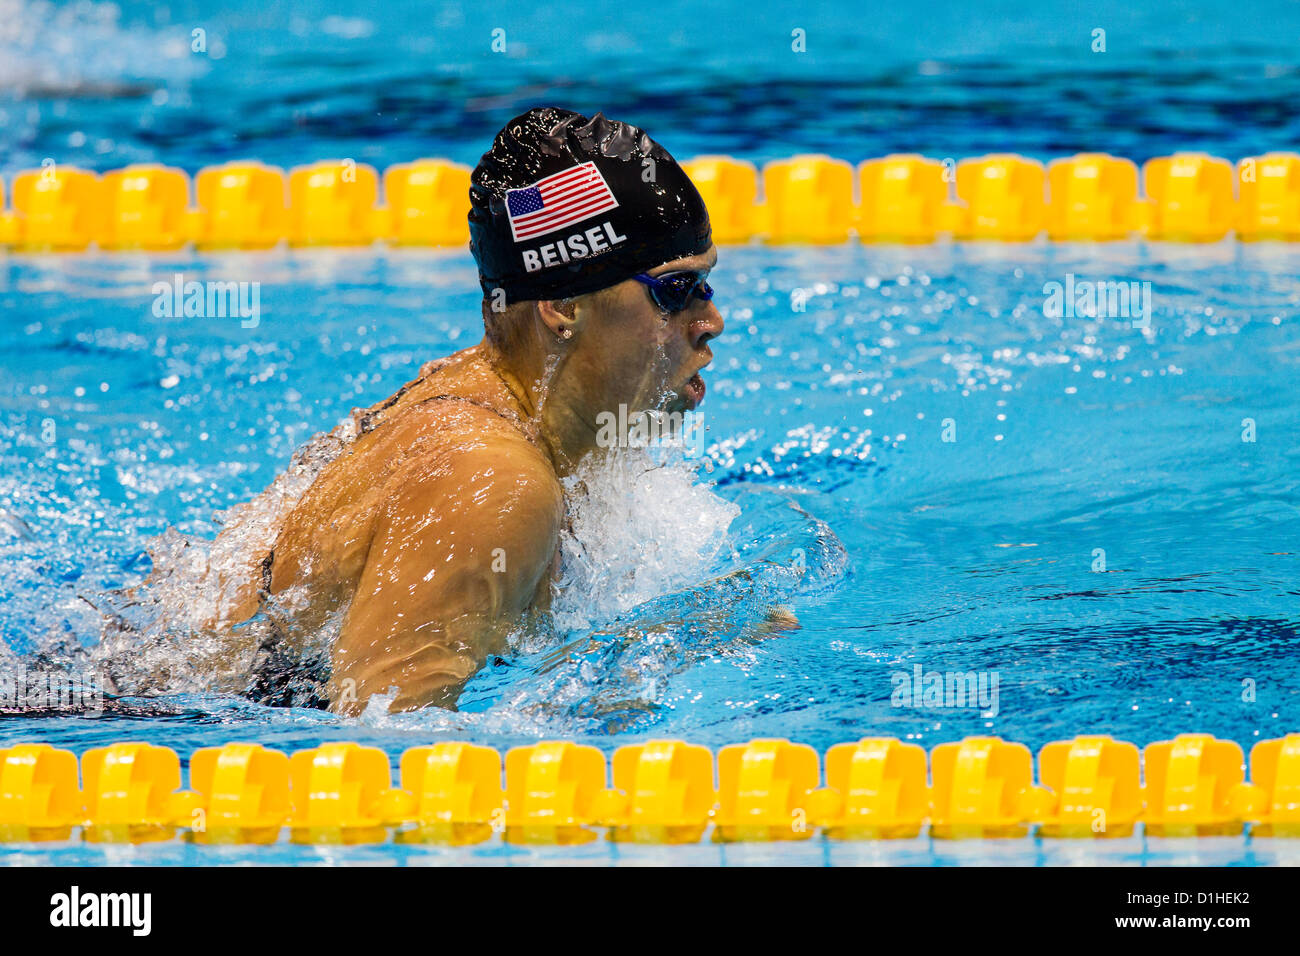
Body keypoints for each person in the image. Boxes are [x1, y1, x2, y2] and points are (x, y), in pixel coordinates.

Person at [212, 107, 722, 715]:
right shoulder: (492, 484)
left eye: (707, 284)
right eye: (675, 290)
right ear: (562, 306)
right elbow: (385, 754)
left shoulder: (489, 403)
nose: (710, 321)